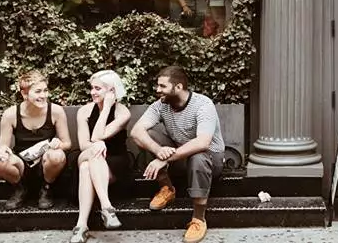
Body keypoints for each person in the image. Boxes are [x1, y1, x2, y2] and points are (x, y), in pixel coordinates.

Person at [130, 65, 225, 243]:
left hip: (210, 160)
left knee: (198, 156)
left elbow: (202, 142)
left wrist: (162, 160)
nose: (158, 90)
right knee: (148, 136)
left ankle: (198, 219)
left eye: (162, 86)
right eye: (158, 86)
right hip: (180, 158)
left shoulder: (203, 104)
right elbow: (136, 132)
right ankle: (167, 188)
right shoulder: (160, 106)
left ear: (179, 87)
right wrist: (158, 151)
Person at [0, 70, 72, 210]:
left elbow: (67, 144)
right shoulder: (10, 114)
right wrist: (1, 151)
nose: (43, 95)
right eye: (38, 92)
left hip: (46, 163)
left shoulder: (56, 111)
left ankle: (46, 188)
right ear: (24, 94)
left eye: (45, 91)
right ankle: (20, 189)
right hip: (22, 164)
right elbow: (2, 147)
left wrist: (59, 144)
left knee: (57, 155)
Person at [70, 69, 132, 243]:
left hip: (114, 164)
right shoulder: (84, 112)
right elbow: (86, 144)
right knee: (93, 154)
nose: (93, 92)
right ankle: (107, 207)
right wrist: (97, 144)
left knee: (86, 167)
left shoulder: (122, 113)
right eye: (92, 88)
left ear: (112, 91)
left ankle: (81, 225)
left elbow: (97, 136)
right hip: (87, 153)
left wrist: (106, 110)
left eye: (98, 88)